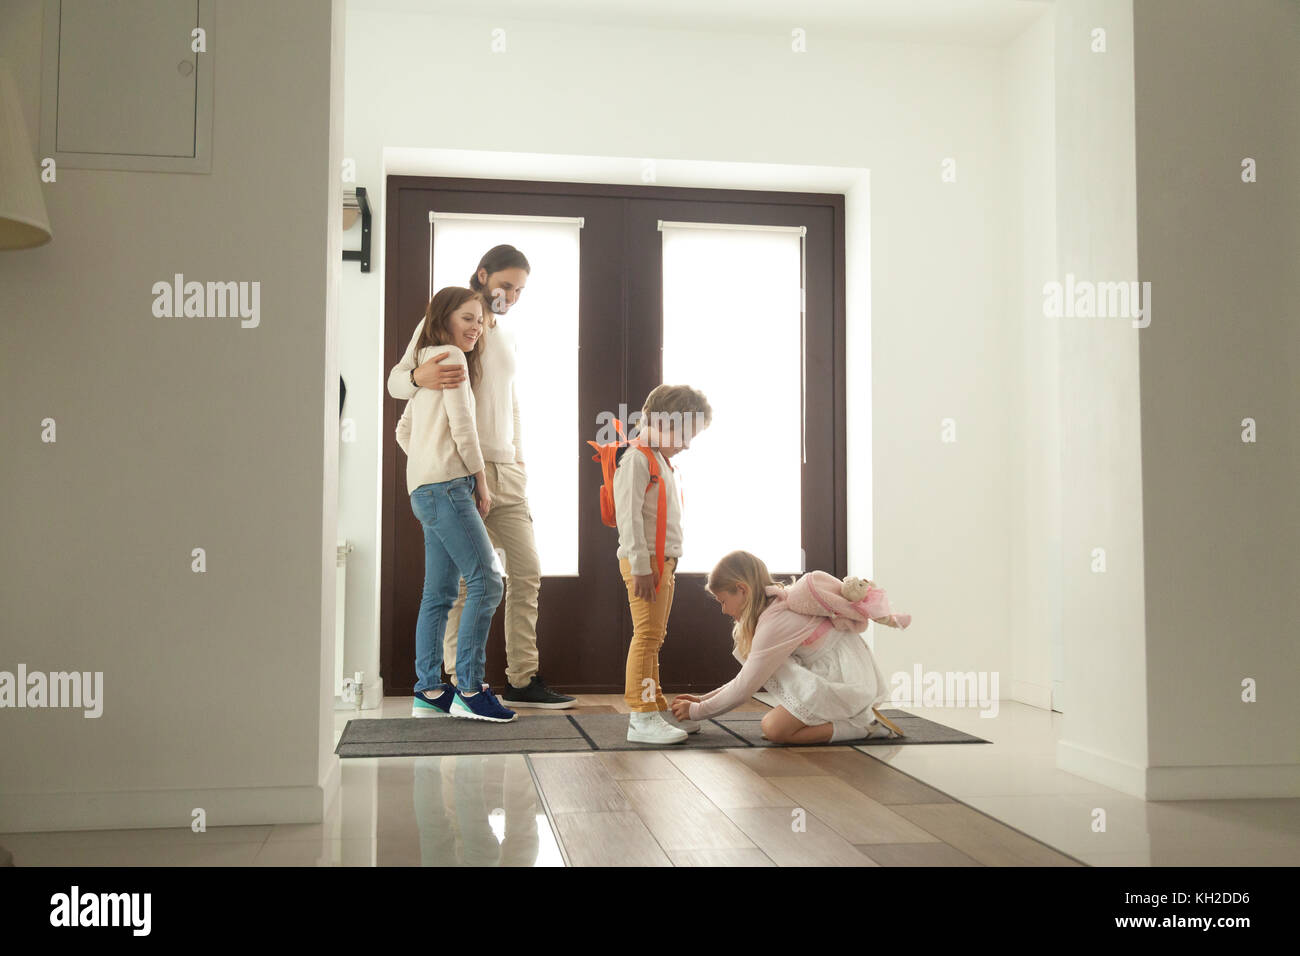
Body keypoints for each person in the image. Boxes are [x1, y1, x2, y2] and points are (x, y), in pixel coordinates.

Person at [388, 245, 574, 709]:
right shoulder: (452, 325)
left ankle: (522, 678)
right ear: (483, 275)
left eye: (520, 290)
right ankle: (454, 680)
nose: (511, 296)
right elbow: (397, 384)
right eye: (506, 285)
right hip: (460, 473)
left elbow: (508, 400)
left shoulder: (504, 337)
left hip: (506, 471)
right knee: (465, 584)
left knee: (526, 572)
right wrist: (436, 457)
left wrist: (519, 458)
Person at [395, 286, 514, 722]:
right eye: (467, 318)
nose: (476, 327)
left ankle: (429, 690)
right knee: (488, 582)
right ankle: (468, 688)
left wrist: (427, 465)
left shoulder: (427, 363)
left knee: (440, 592)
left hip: (425, 489)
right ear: (445, 318)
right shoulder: (452, 358)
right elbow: (464, 428)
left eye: (480, 321)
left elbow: (404, 431)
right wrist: (480, 481)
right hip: (449, 486)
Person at [671, 550, 911, 744]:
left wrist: (697, 712)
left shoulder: (774, 622)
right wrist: (702, 700)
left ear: (742, 589)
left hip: (846, 680)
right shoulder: (774, 608)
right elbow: (746, 678)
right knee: (773, 714)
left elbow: (745, 686)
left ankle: (862, 726)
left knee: (774, 729)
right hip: (842, 672)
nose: (724, 609)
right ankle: (860, 720)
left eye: (724, 601)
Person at [616, 384, 713, 744]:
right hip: (646, 563)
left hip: (662, 562)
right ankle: (640, 718)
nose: (687, 445)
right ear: (661, 422)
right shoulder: (637, 458)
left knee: (654, 637)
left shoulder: (659, 459)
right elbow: (628, 519)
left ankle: (653, 708)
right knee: (646, 638)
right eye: (685, 435)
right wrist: (641, 565)